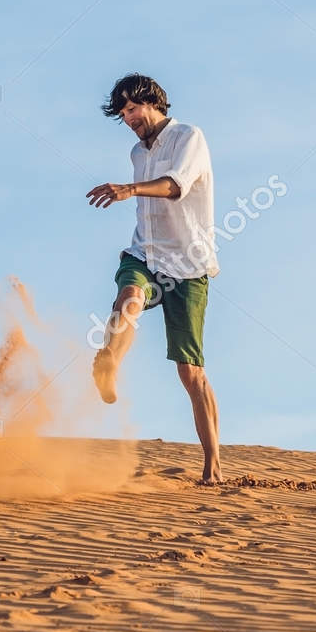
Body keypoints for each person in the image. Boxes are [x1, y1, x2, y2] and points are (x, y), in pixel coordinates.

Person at [85, 73, 222, 484]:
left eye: (133, 108)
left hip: (189, 264)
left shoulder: (187, 137)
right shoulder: (136, 152)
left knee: (190, 371)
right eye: (123, 113)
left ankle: (213, 464)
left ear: (153, 102)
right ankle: (109, 361)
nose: (129, 118)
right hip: (145, 253)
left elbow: (175, 186)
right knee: (128, 296)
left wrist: (129, 190)